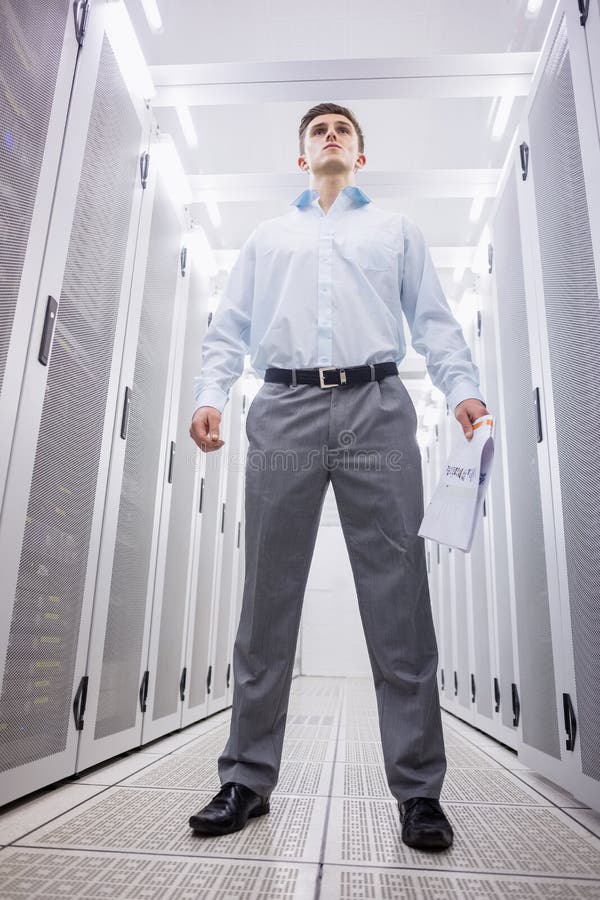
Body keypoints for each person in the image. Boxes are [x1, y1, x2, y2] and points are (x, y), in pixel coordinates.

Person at [188, 102, 488, 851]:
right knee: (266, 599)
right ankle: (245, 780)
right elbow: (229, 328)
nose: (330, 136)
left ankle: (419, 793)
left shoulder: (396, 231)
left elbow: (435, 321)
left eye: (342, 131)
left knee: (399, 600)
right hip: (282, 405)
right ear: (302, 157)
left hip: (377, 404)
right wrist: (209, 396)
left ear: (360, 154)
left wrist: (463, 390)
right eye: (318, 131)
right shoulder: (268, 238)